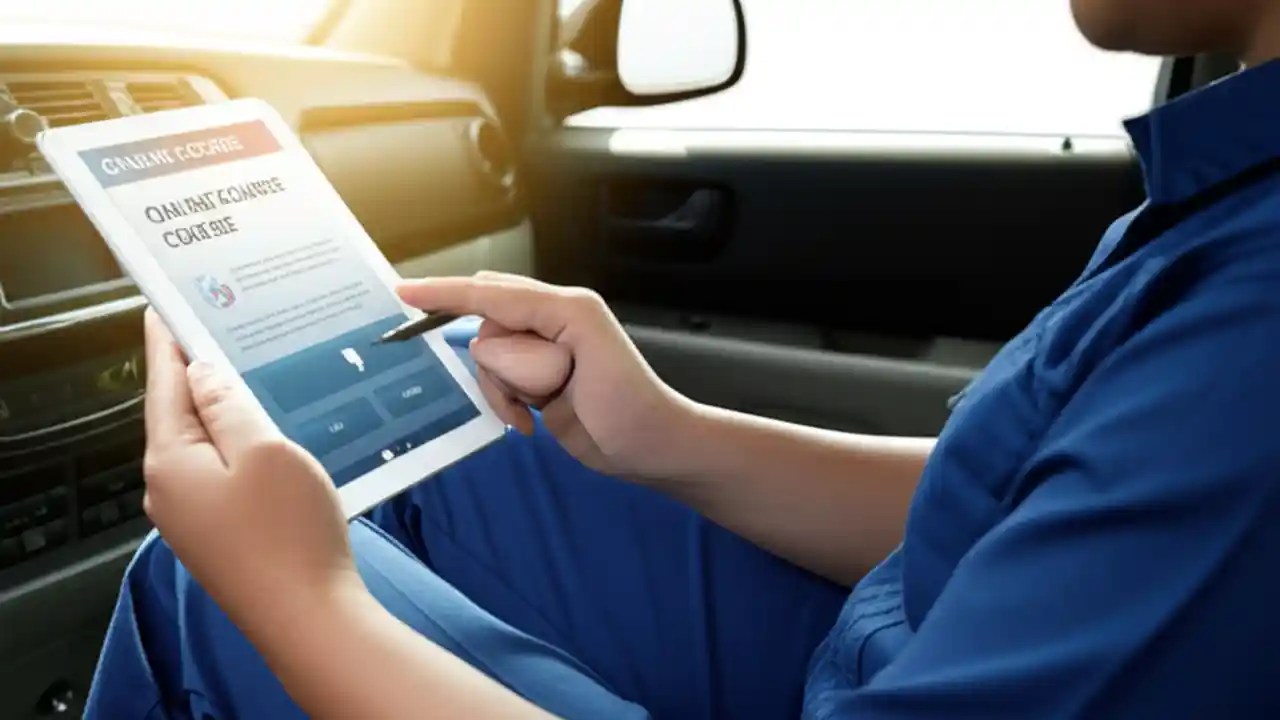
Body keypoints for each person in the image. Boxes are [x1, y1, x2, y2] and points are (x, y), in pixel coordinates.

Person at [87, 0, 1280, 717]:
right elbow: (1039, 509)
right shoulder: (1234, 194)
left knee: (207, 584)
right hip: (920, 633)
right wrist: (675, 439)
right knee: (461, 415)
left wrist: (300, 599)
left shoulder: (1251, 333)